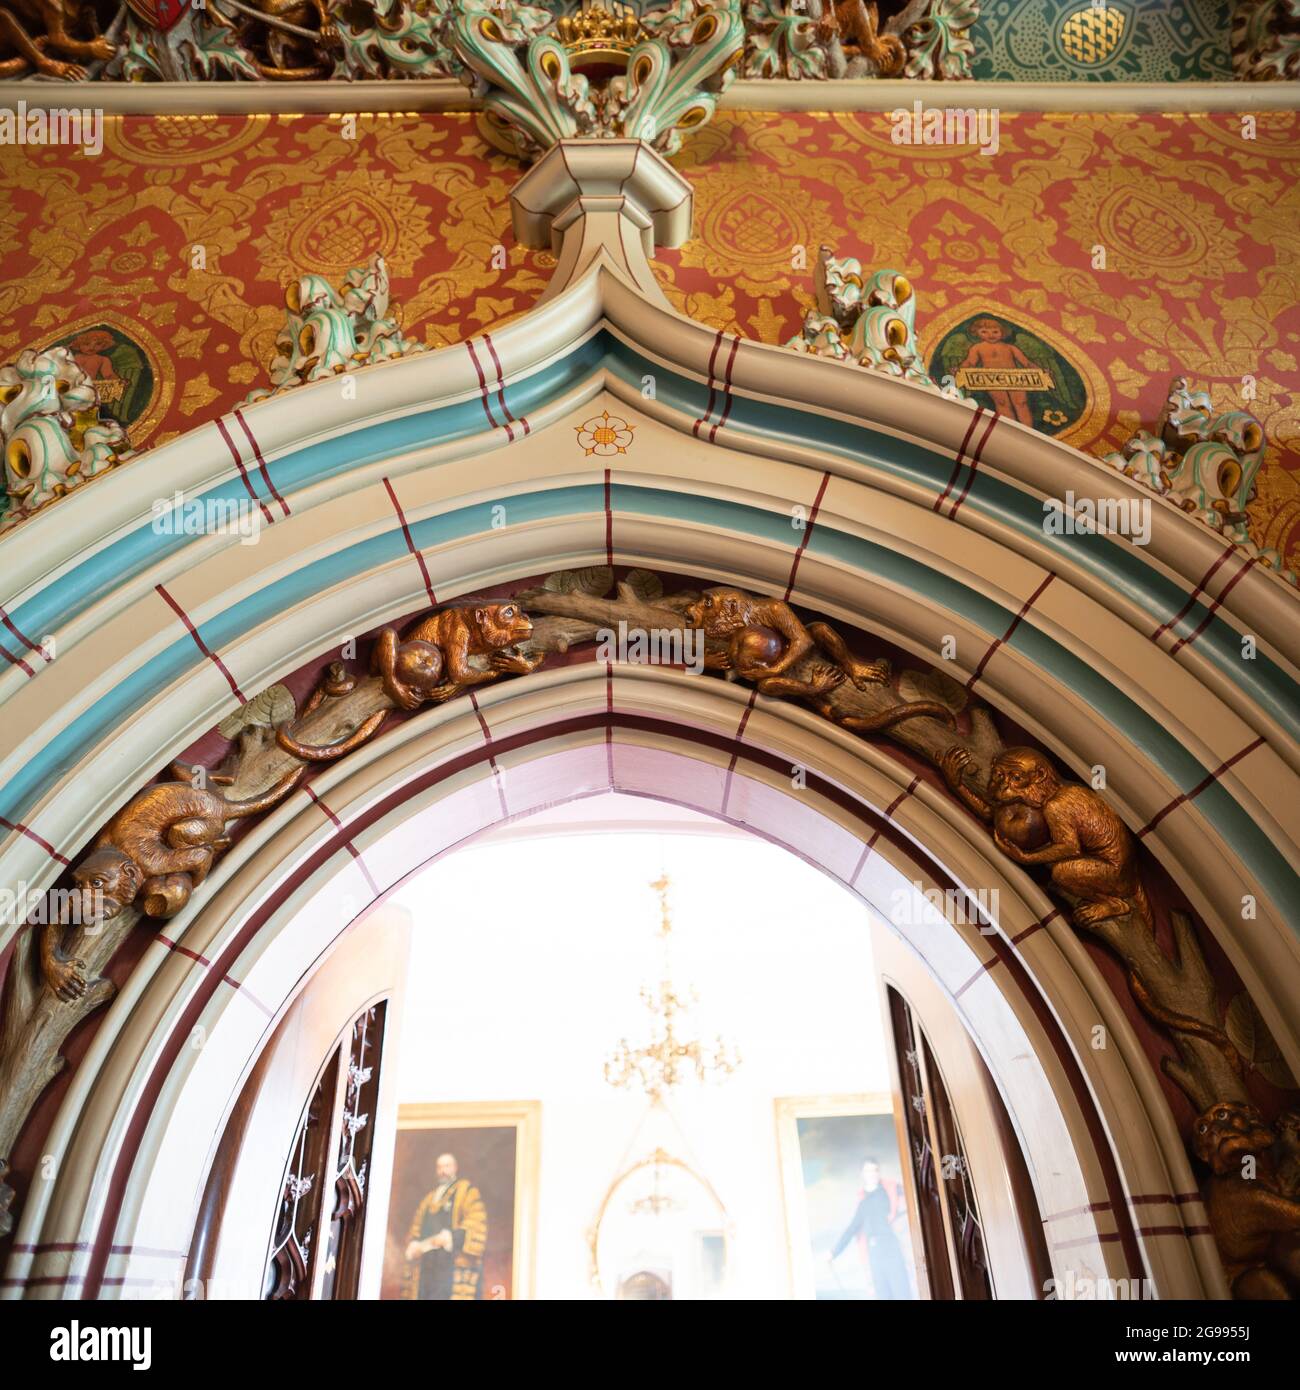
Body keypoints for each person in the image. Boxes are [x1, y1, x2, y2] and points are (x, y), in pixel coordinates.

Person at [402, 1152, 488, 1300]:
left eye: (447, 1166)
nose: (443, 1170)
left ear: (455, 1168)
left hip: (451, 1265)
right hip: (427, 1268)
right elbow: (416, 1229)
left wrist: (449, 1238)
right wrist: (414, 1245)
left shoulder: (467, 1191)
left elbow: (476, 1223)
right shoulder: (428, 1199)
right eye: (440, 1167)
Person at [826, 1157, 911, 1299]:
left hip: (892, 1249)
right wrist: (833, 1253)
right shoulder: (863, 1202)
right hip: (875, 1253)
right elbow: (851, 1228)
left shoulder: (890, 1190)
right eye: (868, 1171)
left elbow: (912, 1196)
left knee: (902, 1293)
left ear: (879, 1172)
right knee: (883, 1295)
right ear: (862, 1174)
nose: (872, 1174)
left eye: (874, 1170)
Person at [957, 317, 1036, 426]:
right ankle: (1011, 430)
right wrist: (959, 369)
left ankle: (1028, 430)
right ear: (976, 333)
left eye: (995, 331)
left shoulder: (1010, 347)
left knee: (1021, 402)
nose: (991, 335)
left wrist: (1041, 372)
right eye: (984, 332)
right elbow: (970, 362)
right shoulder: (977, 348)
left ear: (1002, 333)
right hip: (991, 378)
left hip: (1014, 377)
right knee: (1002, 403)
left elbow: (1026, 363)